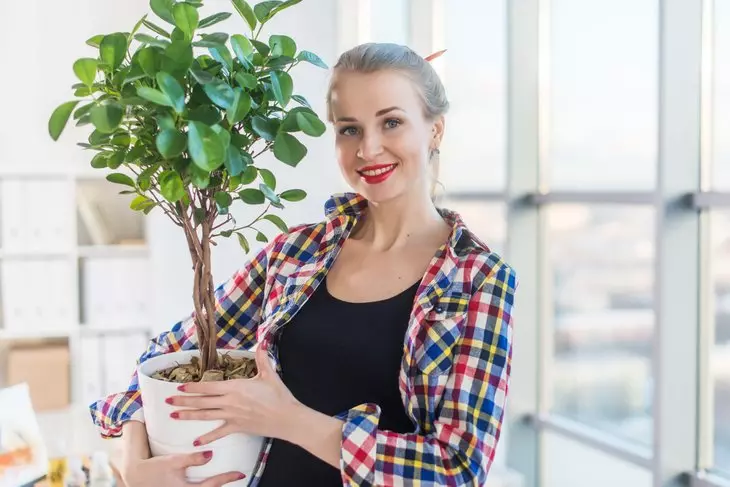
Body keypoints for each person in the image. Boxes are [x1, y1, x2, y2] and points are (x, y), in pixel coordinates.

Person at [90, 42, 518, 487]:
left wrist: (289, 419)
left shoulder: (479, 279)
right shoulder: (294, 253)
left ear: (435, 130)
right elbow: (163, 360)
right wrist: (133, 459)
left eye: (391, 122)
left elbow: (457, 469)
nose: (369, 149)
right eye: (349, 129)